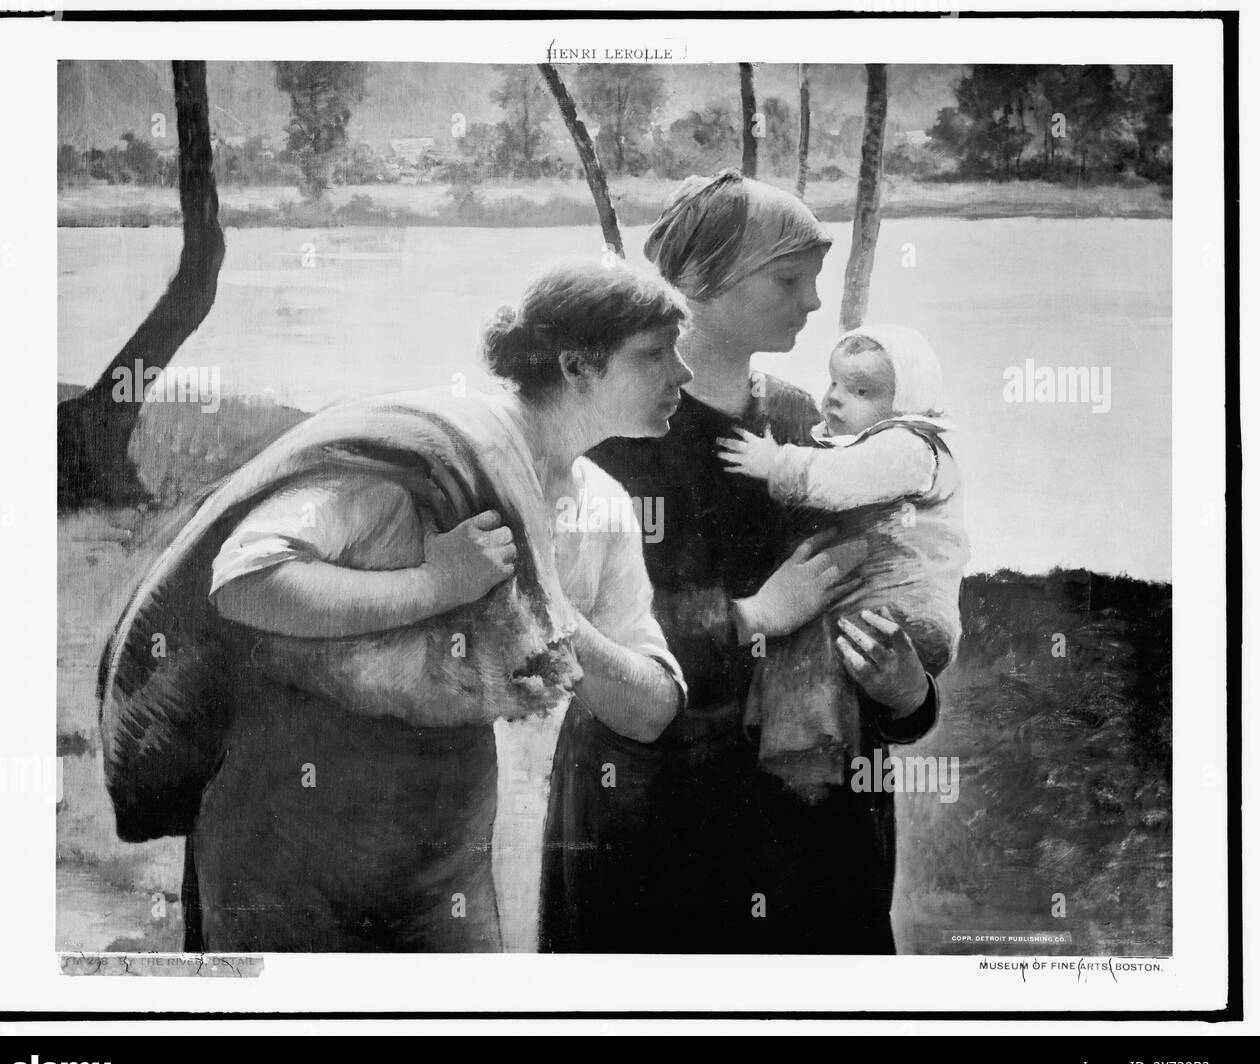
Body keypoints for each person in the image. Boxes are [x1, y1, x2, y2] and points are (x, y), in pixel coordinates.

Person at [99, 259, 692, 952]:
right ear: (576, 364)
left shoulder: (601, 507)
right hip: (291, 819)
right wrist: (436, 585)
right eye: (654, 354)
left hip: (447, 832)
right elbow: (246, 575)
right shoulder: (434, 456)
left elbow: (649, 709)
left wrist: (548, 607)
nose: (680, 373)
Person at [539, 171, 942, 954]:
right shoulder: (613, 437)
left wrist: (908, 693)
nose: (814, 304)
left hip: (816, 813)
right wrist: (753, 615)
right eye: (789, 279)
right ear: (704, 283)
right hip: (658, 810)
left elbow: (885, 582)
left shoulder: (809, 426)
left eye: (815, 280)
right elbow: (572, 623)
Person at [717, 324, 970, 800]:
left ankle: (805, 756)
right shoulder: (848, 437)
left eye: (859, 391)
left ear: (905, 404)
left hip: (900, 610)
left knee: (818, 640)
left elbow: (842, 478)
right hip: (873, 611)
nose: (832, 400)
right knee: (812, 642)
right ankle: (799, 751)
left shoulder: (907, 446)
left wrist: (777, 465)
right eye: (834, 383)